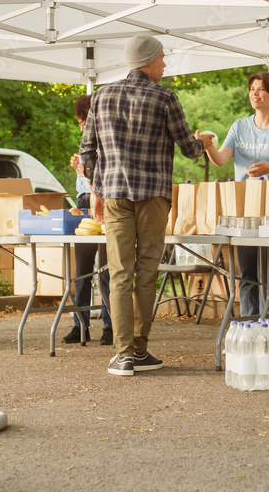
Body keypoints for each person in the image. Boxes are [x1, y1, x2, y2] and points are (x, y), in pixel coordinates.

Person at [79, 34, 213, 376]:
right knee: (146, 272)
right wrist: (204, 141)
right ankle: (138, 349)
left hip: (115, 196)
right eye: (162, 59)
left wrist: (97, 186)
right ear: (148, 61)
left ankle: (123, 354)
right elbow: (188, 148)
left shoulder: (101, 96)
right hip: (153, 195)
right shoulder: (165, 97)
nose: (165, 64)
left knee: (120, 272)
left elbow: (87, 151)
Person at [204, 72, 269, 317]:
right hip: (245, 210)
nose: (255, 93)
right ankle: (250, 325)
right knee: (248, 273)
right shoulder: (239, 126)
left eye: (261, 89)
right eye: (252, 88)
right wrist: (208, 146)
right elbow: (220, 160)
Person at [62, 94, 113, 346]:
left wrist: (87, 173)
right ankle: (79, 325)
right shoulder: (85, 143)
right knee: (82, 270)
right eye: (81, 123)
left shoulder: (109, 140)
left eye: (85, 122)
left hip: (104, 203)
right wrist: (79, 172)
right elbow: (85, 183)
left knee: (106, 269)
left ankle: (110, 325)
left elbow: (103, 178)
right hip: (83, 203)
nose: (83, 128)